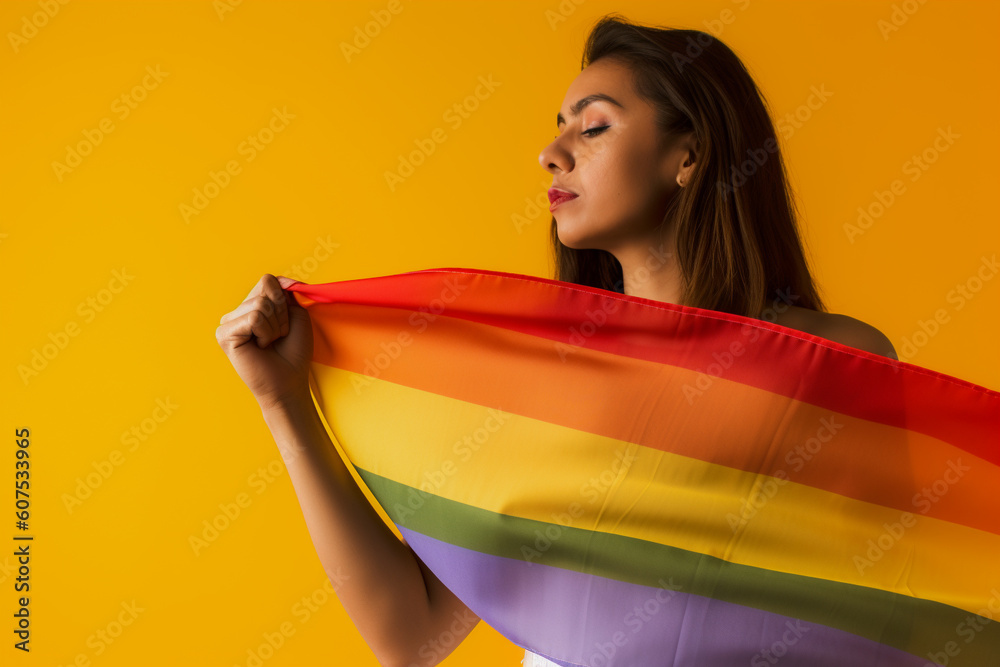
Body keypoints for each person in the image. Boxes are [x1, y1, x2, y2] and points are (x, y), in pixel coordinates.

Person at [216, 13, 898, 667]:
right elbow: (412, 634)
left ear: (687, 155)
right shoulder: (547, 383)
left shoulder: (837, 364)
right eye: (560, 129)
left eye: (594, 126)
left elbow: (904, 603)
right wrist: (284, 402)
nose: (552, 154)